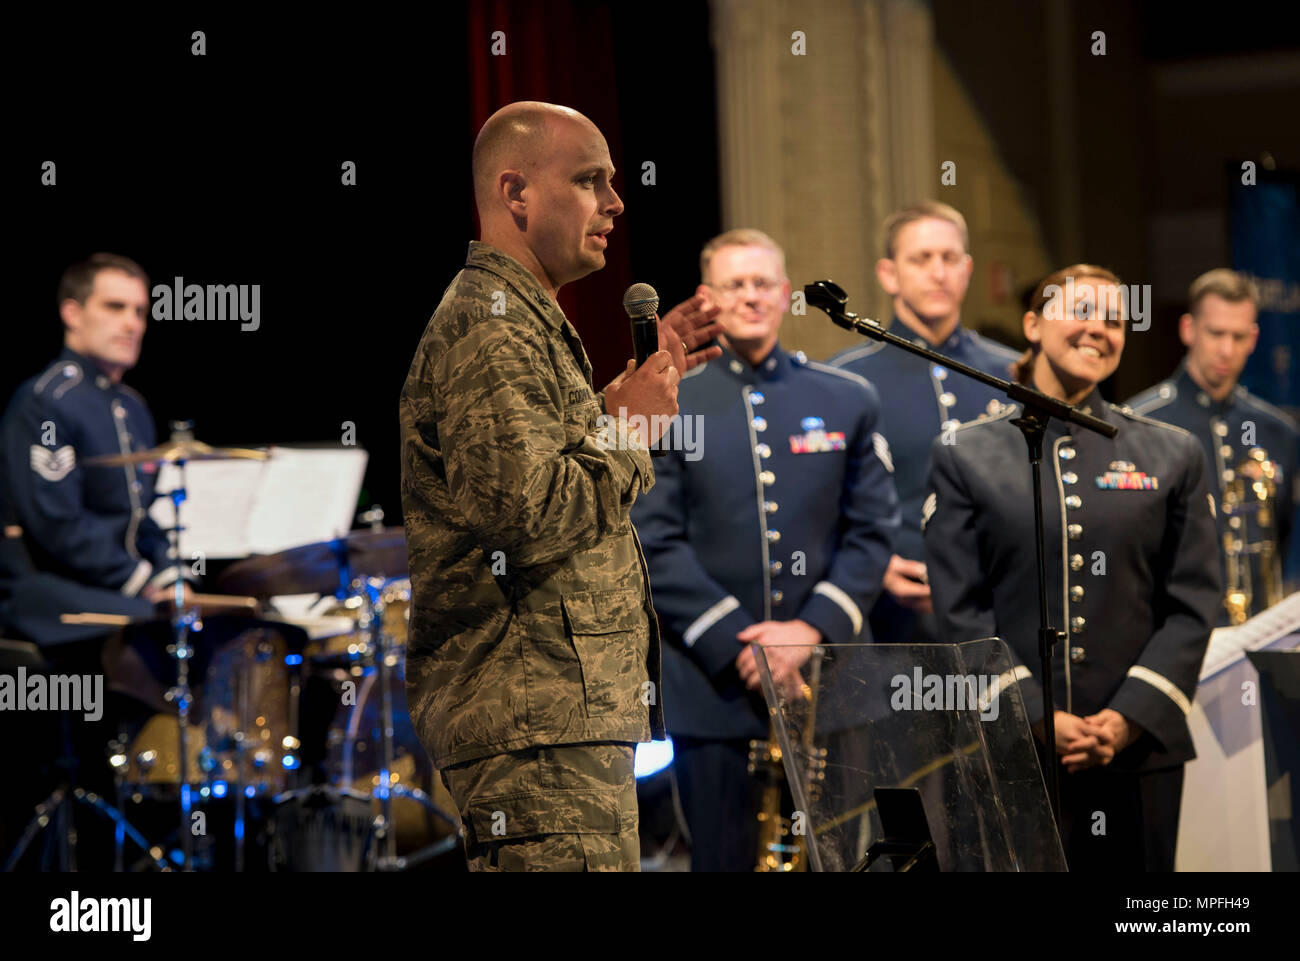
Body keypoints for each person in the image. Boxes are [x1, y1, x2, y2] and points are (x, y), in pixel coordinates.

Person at [400, 101, 721, 872]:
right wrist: (633, 430)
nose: (616, 202)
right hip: (532, 724)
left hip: (555, 721)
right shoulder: (492, 324)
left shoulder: (522, 319)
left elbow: (541, 469)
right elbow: (527, 514)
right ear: (516, 193)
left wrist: (625, 397)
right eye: (589, 180)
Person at [923, 264, 1221, 871]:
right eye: (1081, 311)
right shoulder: (966, 453)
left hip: (1137, 753)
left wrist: (1128, 718)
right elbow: (961, 609)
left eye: (1114, 320)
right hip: (1011, 746)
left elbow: (1192, 605)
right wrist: (1032, 712)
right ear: (1033, 324)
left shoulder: (1173, 453)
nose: (1099, 330)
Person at [630, 229, 899, 871]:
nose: (750, 296)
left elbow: (871, 534)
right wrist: (740, 644)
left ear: (784, 295)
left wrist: (809, 629)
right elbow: (652, 538)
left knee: (832, 862)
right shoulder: (670, 404)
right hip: (712, 688)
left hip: (826, 684)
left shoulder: (846, 398)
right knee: (723, 862)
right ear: (708, 299)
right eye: (733, 284)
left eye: (761, 283)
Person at [830, 201, 1019, 643]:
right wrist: (874, 565)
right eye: (921, 258)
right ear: (888, 273)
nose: (939, 273)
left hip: (1002, 616)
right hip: (891, 622)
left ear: (968, 269)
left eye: (950, 258)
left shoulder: (1014, 375)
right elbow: (818, 502)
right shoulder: (845, 380)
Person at [1, 253, 186, 647]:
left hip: (119, 587)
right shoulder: (47, 401)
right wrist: (138, 580)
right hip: (50, 590)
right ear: (72, 312)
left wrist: (170, 574)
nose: (131, 323)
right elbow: (57, 524)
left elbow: (141, 515)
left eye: (140, 311)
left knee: (225, 621)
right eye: (115, 307)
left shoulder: (132, 406)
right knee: (169, 633)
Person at [1126, 268, 1298, 613]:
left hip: (1262, 633)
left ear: (1253, 338)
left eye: (1238, 337)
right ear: (1188, 329)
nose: (1226, 349)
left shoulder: (1277, 431)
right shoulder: (1138, 424)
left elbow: (1289, 540)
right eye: (1216, 333)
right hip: (1171, 634)